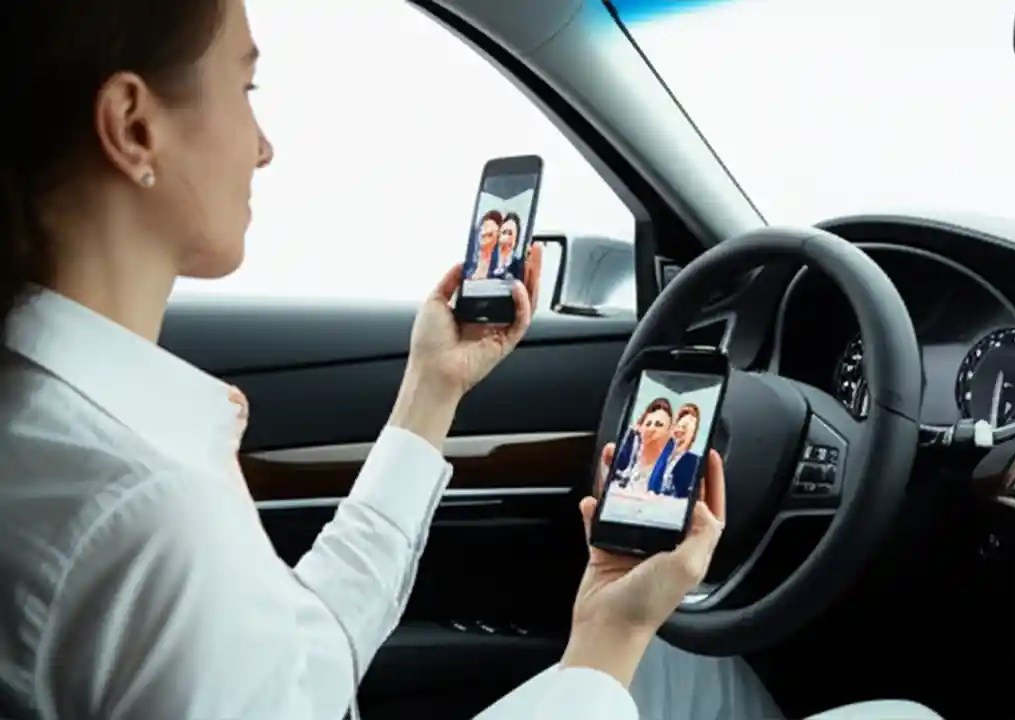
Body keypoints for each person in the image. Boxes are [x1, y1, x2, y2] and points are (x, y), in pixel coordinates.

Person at [0, 2, 719, 718]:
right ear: (134, 125)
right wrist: (611, 641)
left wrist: (432, 390)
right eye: (245, 90)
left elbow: (301, 664)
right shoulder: (145, 510)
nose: (263, 147)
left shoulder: (56, 433)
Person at [611, 397, 674, 491]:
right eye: (648, 424)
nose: (651, 429)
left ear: (669, 433)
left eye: (659, 425)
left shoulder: (668, 474)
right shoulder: (627, 466)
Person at [650, 402, 701, 498]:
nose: (680, 430)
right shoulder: (663, 455)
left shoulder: (694, 463)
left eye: (686, 427)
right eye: (679, 425)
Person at [469, 209, 504, 279]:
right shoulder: (469, 264)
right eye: (482, 230)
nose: (484, 232)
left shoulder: (499, 267)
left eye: (489, 234)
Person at [490, 211, 522, 279]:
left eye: (510, 233)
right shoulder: (488, 259)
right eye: (505, 232)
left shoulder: (517, 266)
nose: (507, 237)